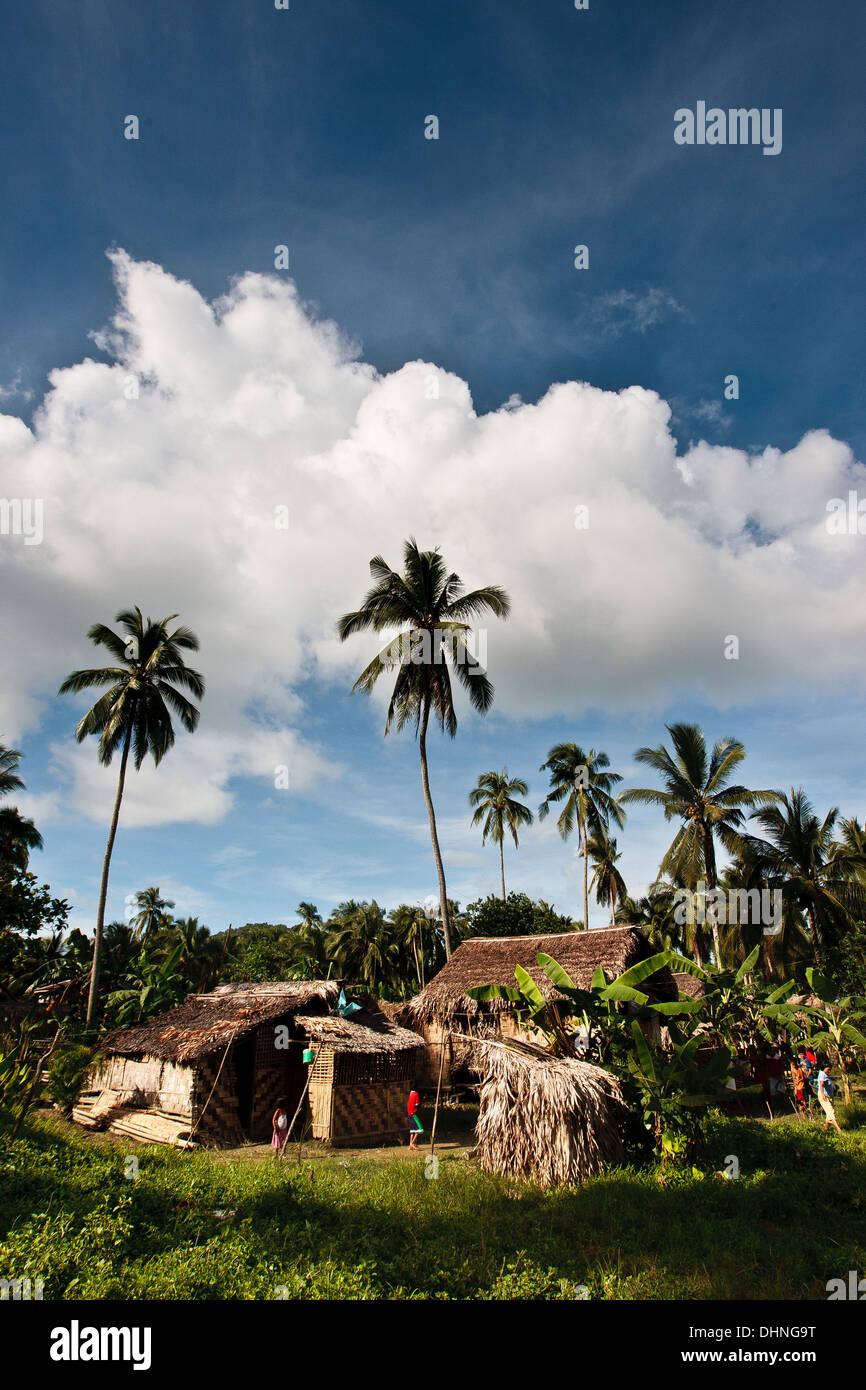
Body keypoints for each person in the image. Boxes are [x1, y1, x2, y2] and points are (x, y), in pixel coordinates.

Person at [816, 1063, 842, 1134]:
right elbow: (821, 1085)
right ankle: (839, 1130)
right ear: (824, 1068)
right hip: (824, 1096)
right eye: (828, 1069)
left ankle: (825, 1131)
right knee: (831, 1112)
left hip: (829, 1096)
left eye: (830, 1069)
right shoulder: (822, 1074)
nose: (829, 1071)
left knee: (828, 1115)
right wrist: (822, 1094)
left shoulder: (825, 1074)